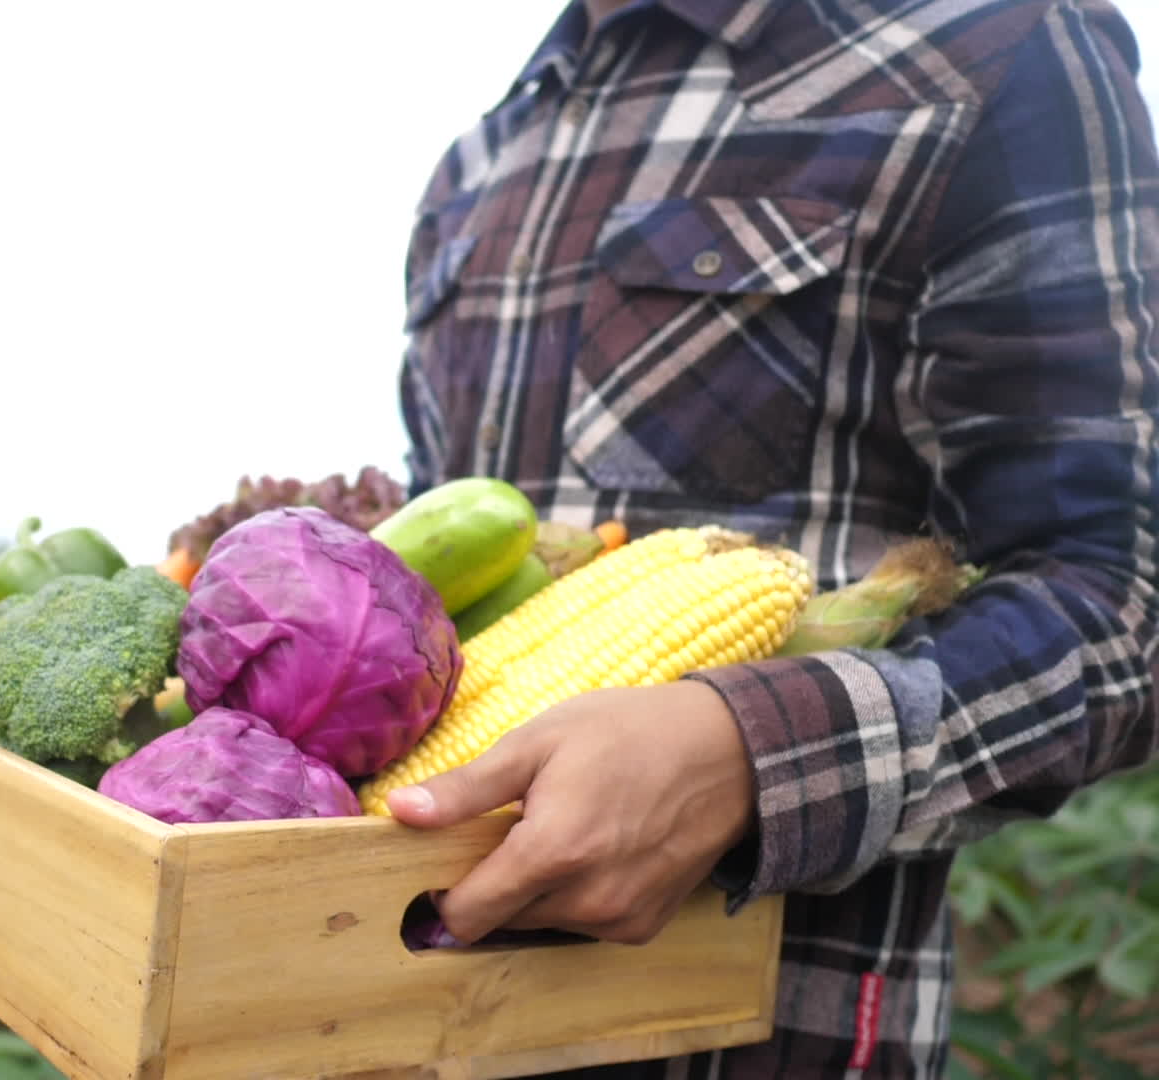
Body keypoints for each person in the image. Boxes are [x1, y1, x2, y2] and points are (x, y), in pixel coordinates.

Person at [384, 0, 1159, 1075]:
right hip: (407, 1026)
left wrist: (753, 755)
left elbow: (1121, 611)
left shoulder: (992, 54)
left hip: (764, 1040)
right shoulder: (485, 158)